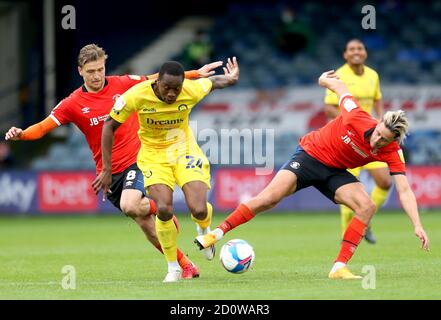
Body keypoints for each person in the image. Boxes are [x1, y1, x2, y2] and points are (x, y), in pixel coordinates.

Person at [5, 44, 222, 280]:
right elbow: (43, 127)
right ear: (80, 71)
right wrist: (22, 134)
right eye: (90, 71)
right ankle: (184, 263)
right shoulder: (72, 103)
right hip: (109, 171)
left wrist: (194, 73)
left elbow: (155, 79)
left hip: (139, 159)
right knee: (142, 221)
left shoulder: (123, 84)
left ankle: (159, 209)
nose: (96, 75)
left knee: (131, 205)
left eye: (100, 69)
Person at [195, 70, 429, 280]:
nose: (376, 140)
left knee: (366, 206)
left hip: (335, 171)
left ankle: (339, 267)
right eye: (378, 133)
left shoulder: (393, 151)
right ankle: (215, 234)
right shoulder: (356, 115)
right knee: (268, 199)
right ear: (377, 124)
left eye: (383, 139)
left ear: (393, 141)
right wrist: (323, 79)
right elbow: (339, 87)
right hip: (310, 156)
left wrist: (417, 225)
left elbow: (404, 189)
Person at [95, 57, 240, 282]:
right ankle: (173, 266)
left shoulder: (191, 90)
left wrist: (230, 79)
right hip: (153, 157)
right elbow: (109, 126)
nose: (172, 94)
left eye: (176, 89)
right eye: (167, 88)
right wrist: (106, 168)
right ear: (157, 83)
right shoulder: (136, 95)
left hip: (185, 151)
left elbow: (214, 83)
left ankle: (204, 230)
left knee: (199, 209)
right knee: (163, 209)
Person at [324, 39, 389, 244]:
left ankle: (365, 220)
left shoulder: (373, 75)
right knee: (348, 191)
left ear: (365, 53)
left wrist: (380, 119)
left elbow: (377, 99)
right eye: (351, 49)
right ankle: (348, 235)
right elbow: (329, 108)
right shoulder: (339, 75)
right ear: (345, 54)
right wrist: (353, 122)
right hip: (349, 141)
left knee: (385, 182)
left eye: (359, 48)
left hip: (372, 140)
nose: (356, 52)